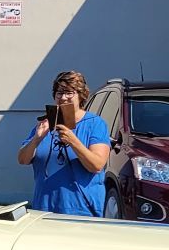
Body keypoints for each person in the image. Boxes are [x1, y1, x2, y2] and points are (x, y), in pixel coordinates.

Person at [16, 70, 110, 216]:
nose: (63, 97)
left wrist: (73, 141)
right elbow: (22, 159)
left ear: (81, 95)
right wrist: (36, 139)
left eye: (69, 92)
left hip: (81, 211)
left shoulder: (95, 124)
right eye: (59, 93)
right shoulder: (46, 123)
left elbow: (97, 165)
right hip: (43, 210)